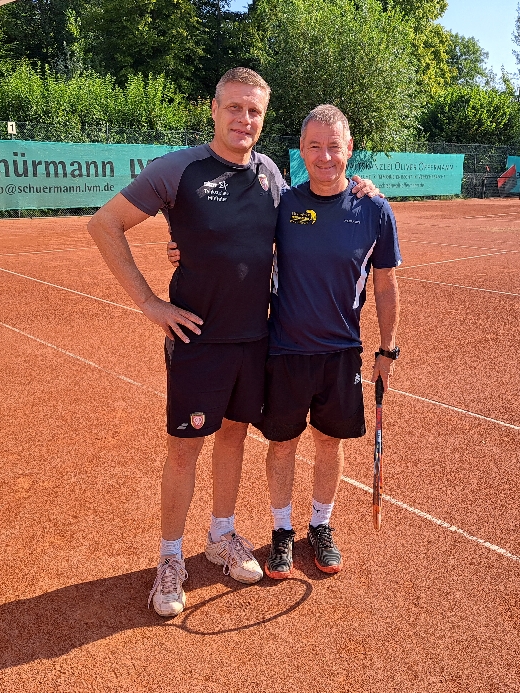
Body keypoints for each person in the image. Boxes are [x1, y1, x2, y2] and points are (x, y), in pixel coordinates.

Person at [88, 69, 377, 618]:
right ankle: (170, 558)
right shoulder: (180, 169)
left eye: (255, 112)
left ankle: (221, 537)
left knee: (234, 440)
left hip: (257, 340)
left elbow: (318, 202)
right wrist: (150, 302)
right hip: (198, 339)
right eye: (235, 108)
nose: (244, 120)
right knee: (184, 450)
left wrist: (361, 188)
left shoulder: (270, 173)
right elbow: (104, 225)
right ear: (214, 109)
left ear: (263, 119)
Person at [258, 104, 401, 579]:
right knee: (281, 444)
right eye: (315, 146)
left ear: (349, 149)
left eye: (333, 146)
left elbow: (384, 284)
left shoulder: (374, 209)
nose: (325, 156)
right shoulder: (285, 206)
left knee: (328, 441)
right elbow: (234, 241)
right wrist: (181, 247)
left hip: (342, 354)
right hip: (285, 349)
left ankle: (320, 525)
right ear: (301, 150)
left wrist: (387, 350)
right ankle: (282, 530)